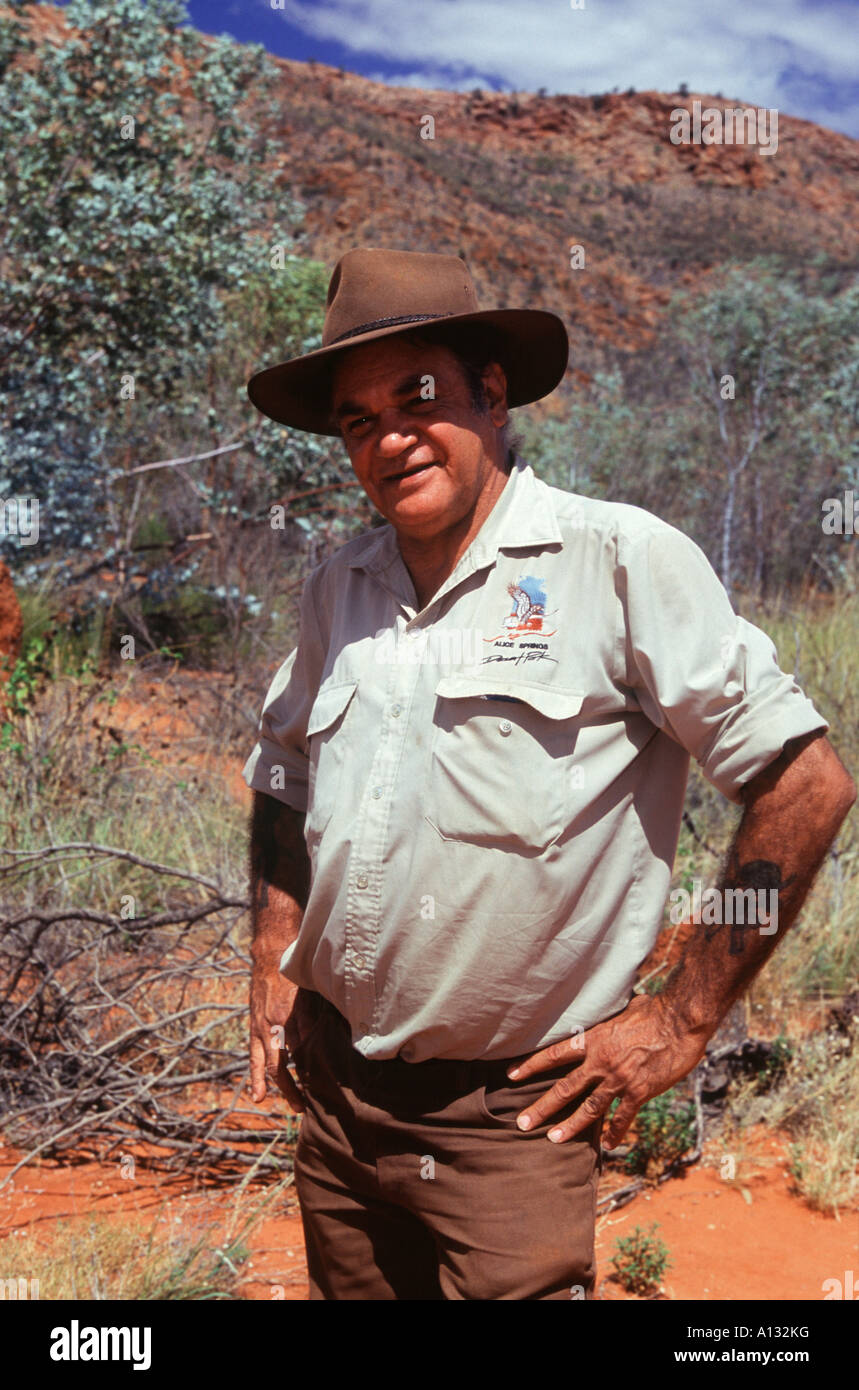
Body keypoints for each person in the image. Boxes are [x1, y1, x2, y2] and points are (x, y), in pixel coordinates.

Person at [243, 247, 855, 1300]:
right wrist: (271, 946)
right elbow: (283, 773)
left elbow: (806, 785)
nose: (388, 438)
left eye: (417, 396)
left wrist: (680, 1017)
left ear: (492, 395)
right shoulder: (335, 588)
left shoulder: (615, 562)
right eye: (357, 419)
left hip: (510, 1120)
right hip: (338, 1102)